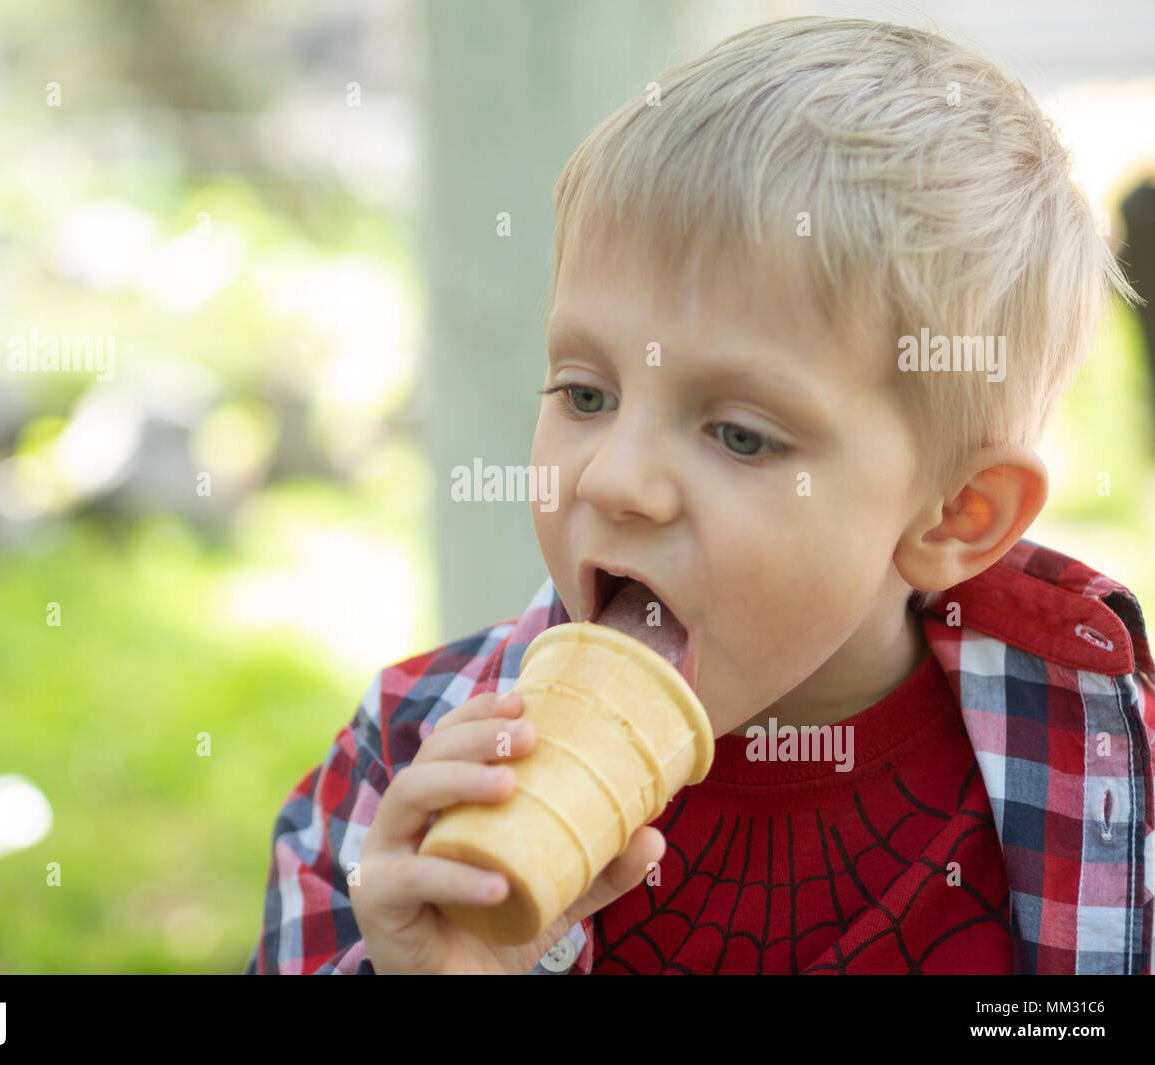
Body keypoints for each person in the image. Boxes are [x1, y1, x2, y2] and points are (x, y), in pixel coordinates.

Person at [247, 16, 1155, 975]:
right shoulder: (399, 779)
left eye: (739, 434)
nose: (614, 478)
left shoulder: (1107, 786)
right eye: (585, 395)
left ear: (956, 512)